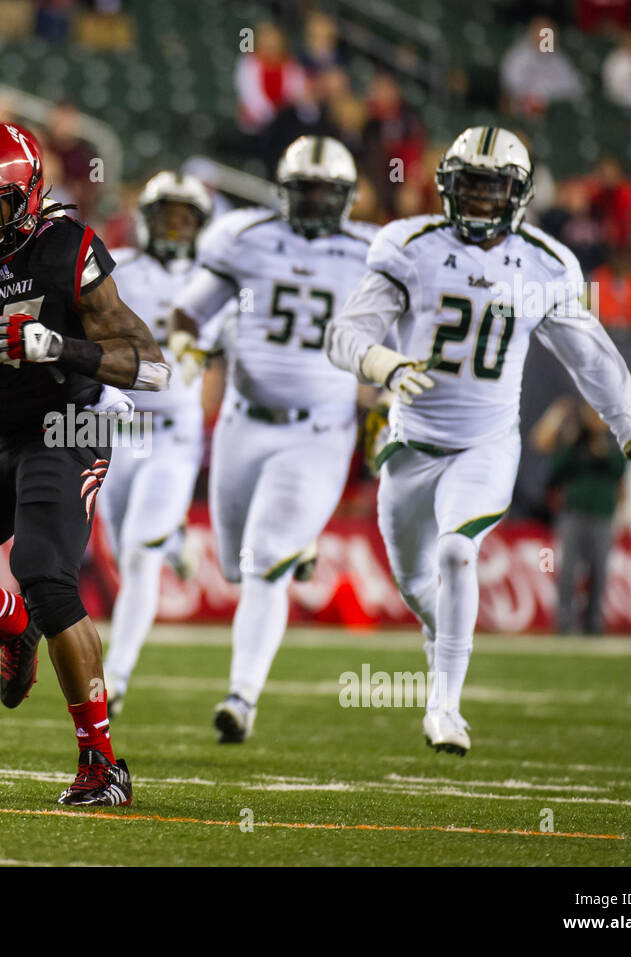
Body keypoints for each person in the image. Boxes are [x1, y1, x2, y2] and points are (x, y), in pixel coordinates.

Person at [327, 126, 631, 756]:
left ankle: (445, 709)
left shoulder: (544, 262)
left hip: (485, 445)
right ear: (449, 189)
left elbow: (591, 357)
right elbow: (343, 336)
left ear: (519, 194)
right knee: (413, 584)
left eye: (493, 189)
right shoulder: (410, 247)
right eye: (471, 188)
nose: (481, 201)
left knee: (457, 554)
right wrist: (386, 366)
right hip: (409, 445)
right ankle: (444, 638)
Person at [0, 121, 169, 806]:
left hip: (67, 421)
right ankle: (12, 624)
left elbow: (155, 368)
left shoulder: (67, 249)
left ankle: (101, 763)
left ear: (26, 197)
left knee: (47, 574)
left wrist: (60, 347)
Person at [168, 136, 376, 742]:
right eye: (303, 191)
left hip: (318, 427)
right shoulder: (247, 237)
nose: (313, 203)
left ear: (345, 197)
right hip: (241, 419)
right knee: (238, 564)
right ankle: (296, 546)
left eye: (324, 192)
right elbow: (190, 310)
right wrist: (185, 342)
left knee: (265, 560)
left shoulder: (370, 253)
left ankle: (242, 698)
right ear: (284, 193)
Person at [99, 171, 214, 719]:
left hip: (173, 434)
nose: (173, 225)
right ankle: (175, 541)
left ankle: (115, 676)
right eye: (165, 214)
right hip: (118, 430)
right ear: (146, 220)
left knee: (139, 556)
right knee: (126, 552)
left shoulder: (217, 280)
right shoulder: (117, 268)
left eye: (184, 217)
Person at [532, 398, 627, 635]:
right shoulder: (574, 439)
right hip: (573, 512)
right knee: (567, 570)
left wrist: (602, 452)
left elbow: (620, 470)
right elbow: (555, 466)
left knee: (599, 571)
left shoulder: (612, 439)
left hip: (603, 514)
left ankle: (594, 623)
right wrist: (573, 444)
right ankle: (564, 621)